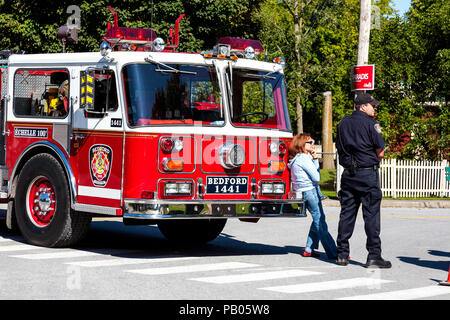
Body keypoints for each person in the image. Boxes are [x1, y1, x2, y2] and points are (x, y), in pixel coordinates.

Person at [335, 92, 391, 268]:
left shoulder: (342, 123)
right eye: (372, 105)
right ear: (362, 106)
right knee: (371, 216)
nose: (374, 108)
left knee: (347, 214)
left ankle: (342, 254)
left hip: (348, 174)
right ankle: (374, 256)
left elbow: (340, 147)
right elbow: (380, 151)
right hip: (367, 174)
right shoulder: (371, 124)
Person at [288, 133, 337, 259]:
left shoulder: (299, 158)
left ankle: (309, 249)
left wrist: (315, 159)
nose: (313, 144)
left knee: (318, 219)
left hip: (304, 192)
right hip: (310, 192)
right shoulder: (303, 158)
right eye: (310, 142)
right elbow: (316, 177)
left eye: (312, 141)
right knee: (320, 222)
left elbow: (315, 176)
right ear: (302, 144)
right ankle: (333, 252)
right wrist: (314, 162)